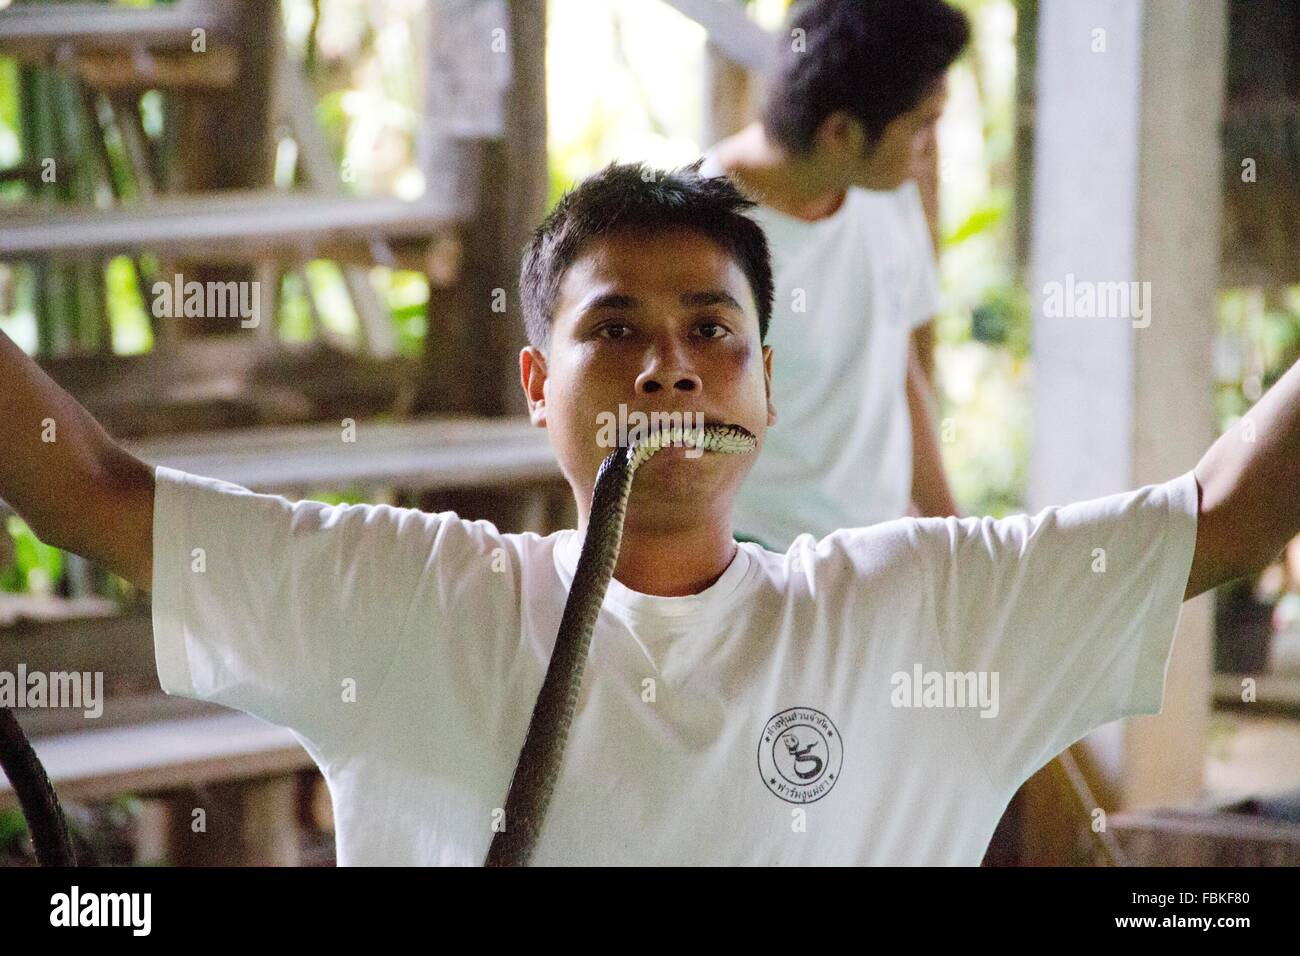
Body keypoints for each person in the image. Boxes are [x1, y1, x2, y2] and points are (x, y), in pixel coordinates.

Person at [2, 163, 1295, 865]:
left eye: (712, 332)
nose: (668, 366)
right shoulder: (408, 600)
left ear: (766, 389)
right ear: (535, 388)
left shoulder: (913, 615)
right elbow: (92, 494)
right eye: (614, 328)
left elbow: (1229, 514)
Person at [701, 0, 969, 551]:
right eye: (921, 126)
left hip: (881, 553)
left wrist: (953, 535)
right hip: (758, 568)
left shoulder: (885, 193)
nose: (928, 149)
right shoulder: (703, 234)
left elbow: (898, 365)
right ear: (841, 132)